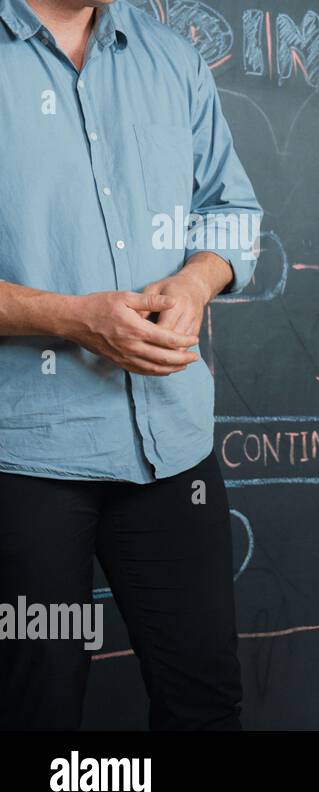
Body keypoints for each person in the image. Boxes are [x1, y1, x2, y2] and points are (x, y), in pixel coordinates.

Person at [0, 0, 261, 729]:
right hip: (25, 464)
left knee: (204, 699)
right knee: (36, 705)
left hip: (172, 451)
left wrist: (196, 280)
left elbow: (232, 211)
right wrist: (69, 318)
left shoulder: (172, 60)